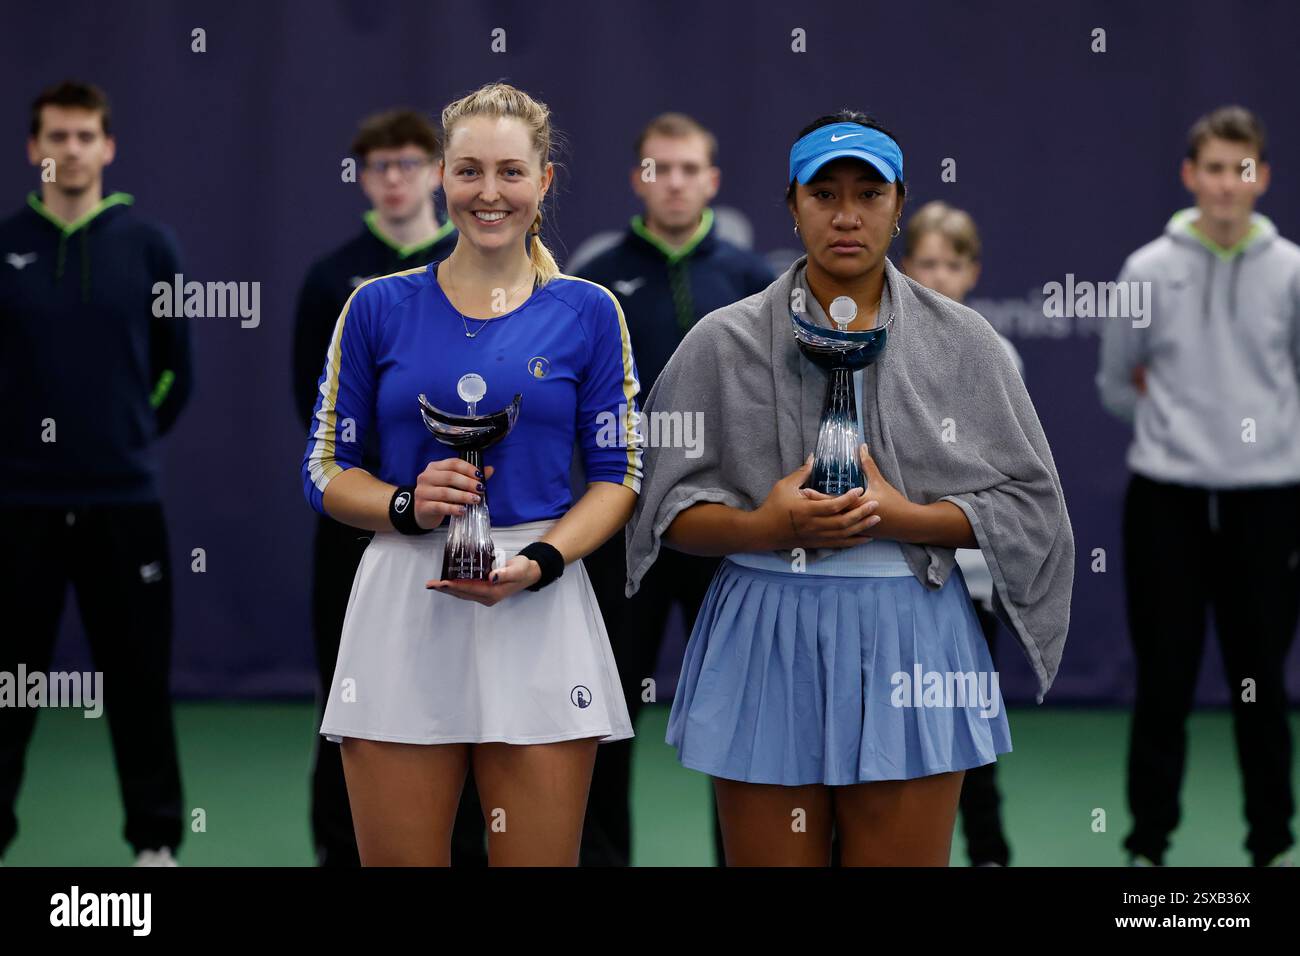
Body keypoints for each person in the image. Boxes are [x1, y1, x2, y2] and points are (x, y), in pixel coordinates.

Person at [625, 110, 1074, 865]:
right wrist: (763, 527)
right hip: (761, 626)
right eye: (823, 193)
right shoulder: (720, 341)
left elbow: (1032, 510)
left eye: (868, 194)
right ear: (792, 206)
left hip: (914, 632)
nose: (845, 215)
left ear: (899, 208)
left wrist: (911, 517)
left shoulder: (966, 344)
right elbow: (658, 508)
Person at [300, 81, 643, 866]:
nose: (490, 194)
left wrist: (543, 562)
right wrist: (405, 504)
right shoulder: (376, 306)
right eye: (469, 172)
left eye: (511, 172)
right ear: (440, 178)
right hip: (403, 602)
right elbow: (323, 468)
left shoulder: (589, 311)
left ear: (544, 181)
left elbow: (619, 472)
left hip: (540, 604)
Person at [1097, 105, 1300, 868]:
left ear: (1262, 177)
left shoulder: (1293, 272)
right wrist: (1179, 433)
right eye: (1213, 168)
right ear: (1190, 176)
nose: (1226, 184)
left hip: (1271, 504)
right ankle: (1149, 845)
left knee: (1262, 685)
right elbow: (1118, 382)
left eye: (1241, 169)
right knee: (1164, 682)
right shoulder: (1146, 270)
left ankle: (1272, 845)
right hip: (1167, 502)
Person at [0, 80, 192, 866]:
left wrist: (127, 440)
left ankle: (155, 844)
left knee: (139, 680)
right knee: (8, 687)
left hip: (124, 504)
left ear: (107, 148)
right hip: (18, 508)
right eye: (57, 136)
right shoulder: (4, 246)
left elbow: (176, 374)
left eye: (85, 137)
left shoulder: (149, 247)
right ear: (33, 149)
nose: (70, 150)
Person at [574, 112, 773, 867]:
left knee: (737, 712)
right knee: (607, 708)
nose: (676, 181)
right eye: (661, 167)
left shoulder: (755, 279)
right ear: (639, 179)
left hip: (726, 530)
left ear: (713, 182)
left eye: (691, 168)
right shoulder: (595, 276)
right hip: (622, 524)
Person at [291, 108, 483, 868]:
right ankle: (344, 852)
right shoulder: (333, 281)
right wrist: (390, 500)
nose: (396, 179)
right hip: (360, 530)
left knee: (467, 701)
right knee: (351, 701)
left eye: (410, 163)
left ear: (435, 173)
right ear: (363, 177)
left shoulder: (481, 265)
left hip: (472, 526)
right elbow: (318, 419)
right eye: (379, 167)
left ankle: (466, 851)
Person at [900, 200, 1022, 867]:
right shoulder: (874, 343)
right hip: (890, 582)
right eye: (926, 262)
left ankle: (988, 854)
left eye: (953, 263)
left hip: (969, 591)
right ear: (905, 266)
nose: (939, 276)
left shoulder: (994, 355)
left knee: (969, 733)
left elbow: (1007, 474)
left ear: (972, 271)